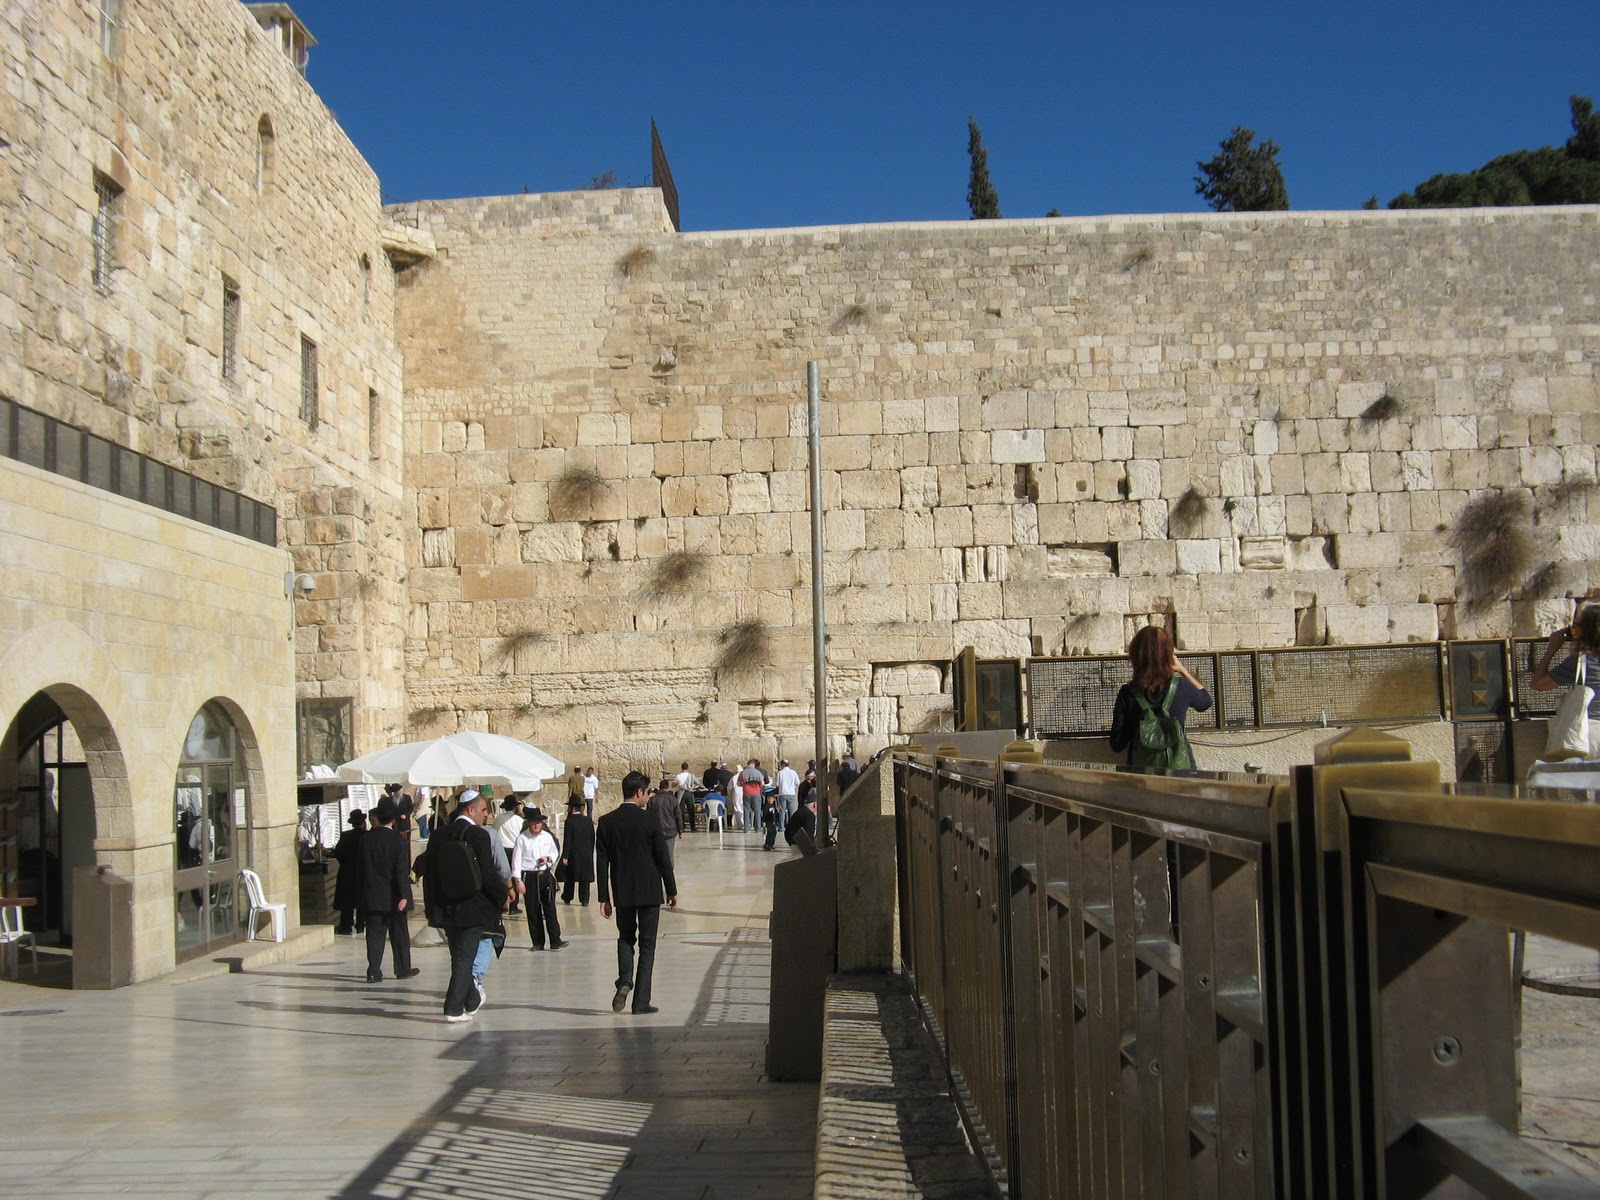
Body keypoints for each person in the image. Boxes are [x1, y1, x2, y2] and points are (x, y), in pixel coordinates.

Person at [425, 788, 511, 1023]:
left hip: (446, 907)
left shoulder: (438, 835)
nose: (486, 814)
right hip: (473, 908)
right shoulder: (478, 835)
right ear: (470, 810)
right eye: (483, 809)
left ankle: (472, 1000)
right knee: (464, 959)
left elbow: (430, 876)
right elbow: (488, 874)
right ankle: (453, 1009)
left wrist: (431, 908)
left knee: (459, 956)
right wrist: (502, 896)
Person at [596, 770, 678, 1015]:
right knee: (648, 945)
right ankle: (641, 1002)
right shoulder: (649, 820)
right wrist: (671, 890)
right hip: (649, 891)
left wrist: (604, 897)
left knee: (625, 937)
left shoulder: (606, 822)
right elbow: (663, 858)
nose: (648, 796)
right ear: (639, 792)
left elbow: (601, 863)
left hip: (622, 892)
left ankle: (624, 980)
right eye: (647, 792)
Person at [1108, 625, 1213, 769]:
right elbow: (1205, 702)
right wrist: (1183, 670)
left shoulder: (1128, 693)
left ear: (1136, 655)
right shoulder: (1181, 687)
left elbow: (1117, 744)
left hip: (1142, 773)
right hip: (1181, 770)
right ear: (1168, 655)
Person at [359, 795, 418, 983]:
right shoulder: (398, 841)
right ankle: (402, 968)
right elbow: (400, 871)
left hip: (372, 895)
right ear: (393, 819)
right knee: (399, 933)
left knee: (374, 935)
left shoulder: (365, 839)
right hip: (394, 897)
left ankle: (373, 970)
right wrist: (404, 895)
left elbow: (361, 869)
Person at [1532, 604, 1600, 756]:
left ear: (1586, 630)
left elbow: (1538, 683)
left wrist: (1552, 648)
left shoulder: (1581, 662)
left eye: (1576, 625)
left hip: (1591, 735)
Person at [511, 807, 567, 950]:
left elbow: (554, 852)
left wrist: (548, 858)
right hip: (530, 876)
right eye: (534, 823)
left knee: (550, 908)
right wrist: (518, 880)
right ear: (529, 823)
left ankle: (555, 940)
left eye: (539, 823)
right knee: (533, 909)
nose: (536, 825)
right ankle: (537, 942)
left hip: (545, 875)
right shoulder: (522, 838)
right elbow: (516, 860)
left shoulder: (547, 836)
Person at [330, 810, 367, 936]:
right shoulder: (367, 836)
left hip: (347, 872)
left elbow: (338, 853)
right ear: (363, 822)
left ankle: (346, 926)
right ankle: (360, 924)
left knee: (347, 902)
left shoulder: (345, 836)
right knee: (362, 900)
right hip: (363, 872)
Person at [560, 795, 596, 905]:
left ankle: (567, 897)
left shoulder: (569, 821)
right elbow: (592, 838)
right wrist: (590, 851)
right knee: (584, 878)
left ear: (572, 808)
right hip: (586, 854)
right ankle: (584, 899)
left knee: (569, 877)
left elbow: (568, 840)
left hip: (573, 854)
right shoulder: (588, 821)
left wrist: (565, 856)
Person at [493, 797, 525, 915]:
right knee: (514, 877)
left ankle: (503, 903)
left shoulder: (497, 819)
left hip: (500, 850)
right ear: (515, 807)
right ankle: (513, 905)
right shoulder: (519, 820)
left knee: (502, 877)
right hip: (513, 850)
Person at [648, 780, 681, 868]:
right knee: (669, 853)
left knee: (656, 853)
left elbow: (648, 816)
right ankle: (669, 871)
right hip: (670, 830)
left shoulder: (652, 799)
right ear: (668, 787)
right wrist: (680, 830)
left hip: (656, 830)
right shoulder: (673, 799)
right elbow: (678, 815)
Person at [738, 759, 766, 837]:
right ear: (754, 765)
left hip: (746, 793)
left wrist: (744, 785)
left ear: (748, 764)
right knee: (757, 811)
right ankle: (758, 828)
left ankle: (746, 829)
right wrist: (758, 788)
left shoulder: (743, 772)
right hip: (756, 793)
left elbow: (738, 783)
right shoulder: (758, 772)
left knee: (746, 811)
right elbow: (762, 783)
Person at [775, 759, 801, 828]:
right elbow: (798, 782)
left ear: (783, 765)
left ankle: (781, 827)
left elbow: (777, 784)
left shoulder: (780, 773)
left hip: (782, 793)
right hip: (791, 793)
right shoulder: (793, 772)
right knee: (792, 811)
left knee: (782, 811)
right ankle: (793, 826)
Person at [674, 761, 699, 833]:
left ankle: (681, 827)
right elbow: (698, 783)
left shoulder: (678, 776)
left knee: (681, 811)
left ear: (681, 768)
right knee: (691, 810)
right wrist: (692, 787)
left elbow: (673, 785)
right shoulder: (691, 775)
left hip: (681, 794)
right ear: (687, 768)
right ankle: (693, 828)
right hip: (689, 793)